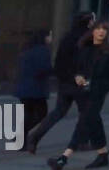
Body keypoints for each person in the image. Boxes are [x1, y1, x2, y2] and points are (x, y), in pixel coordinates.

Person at [46, 21, 109, 170]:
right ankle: (103, 155)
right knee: (93, 120)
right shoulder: (84, 49)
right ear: (93, 31)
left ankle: (63, 158)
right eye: (98, 29)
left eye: (104, 30)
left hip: (98, 92)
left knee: (85, 120)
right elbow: (76, 68)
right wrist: (77, 77)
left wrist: (103, 86)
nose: (101, 32)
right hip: (83, 91)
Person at [25, 11, 94, 154]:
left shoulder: (67, 37)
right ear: (88, 22)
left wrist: (66, 77)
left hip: (65, 82)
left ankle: (34, 138)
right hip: (80, 81)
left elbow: (59, 63)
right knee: (87, 112)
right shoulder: (88, 38)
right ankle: (81, 141)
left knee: (58, 112)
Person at [15, 29, 53, 140]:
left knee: (29, 114)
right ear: (44, 37)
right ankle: (20, 138)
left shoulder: (27, 49)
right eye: (50, 35)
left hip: (24, 87)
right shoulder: (43, 50)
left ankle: (20, 137)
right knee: (40, 114)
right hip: (35, 88)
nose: (51, 38)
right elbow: (43, 69)